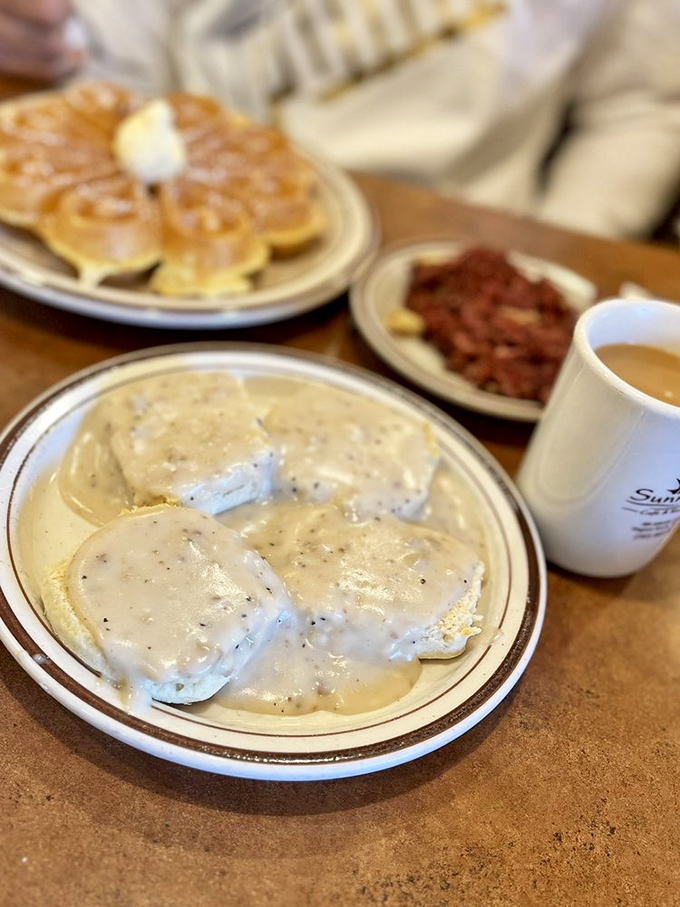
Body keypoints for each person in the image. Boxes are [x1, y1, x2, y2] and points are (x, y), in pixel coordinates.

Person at [1, 0, 679, 241]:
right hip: (186, 208)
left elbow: (639, 108)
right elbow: (117, 42)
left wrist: (550, 261)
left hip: (450, 236)